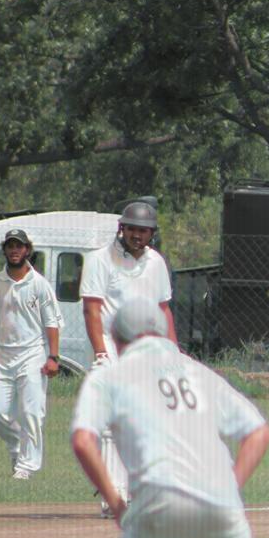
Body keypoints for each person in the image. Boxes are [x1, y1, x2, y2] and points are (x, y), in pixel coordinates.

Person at [70, 298, 269, 538]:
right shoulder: (197, 371)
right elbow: (259, 432)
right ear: (163, 332)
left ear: (118, 341)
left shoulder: (110, 376)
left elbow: (82, 441)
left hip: (160, 493)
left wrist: (115, 501)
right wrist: (230, 487)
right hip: (221, 499)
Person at [80, 200, 176, 512]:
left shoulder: (156, 263)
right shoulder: (100, 260)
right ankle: (115, 494)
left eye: (144, 230)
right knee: (110, 420)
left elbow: (163, 309)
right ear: (122, 228)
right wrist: (100, 352)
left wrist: (173, 352)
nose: (137, 235)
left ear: (152, 233)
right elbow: (92, 309)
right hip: (110, 346)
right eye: (132, 229)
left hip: (146, 349)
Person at [0, 229, 63, 480]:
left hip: (32, 354)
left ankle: (27, 466)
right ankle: (18, 448)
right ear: (5, 250)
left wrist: (53, 357)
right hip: (2, 357)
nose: (14, 250)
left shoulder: (39, 284)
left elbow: (52, 322)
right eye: (10, 246)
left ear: (27, 250)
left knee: (32, 412)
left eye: (19, 246)